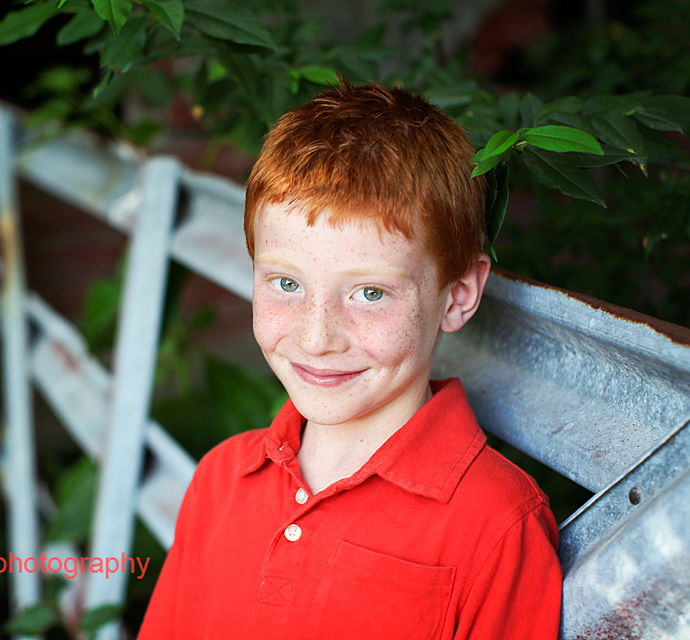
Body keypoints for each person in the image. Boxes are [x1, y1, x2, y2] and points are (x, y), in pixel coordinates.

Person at [137, 79, 562, 640]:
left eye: (370, 293)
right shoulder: (222, 476)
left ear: (457, 295)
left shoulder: (496, 522)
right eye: (286, 283)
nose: (317, 339)